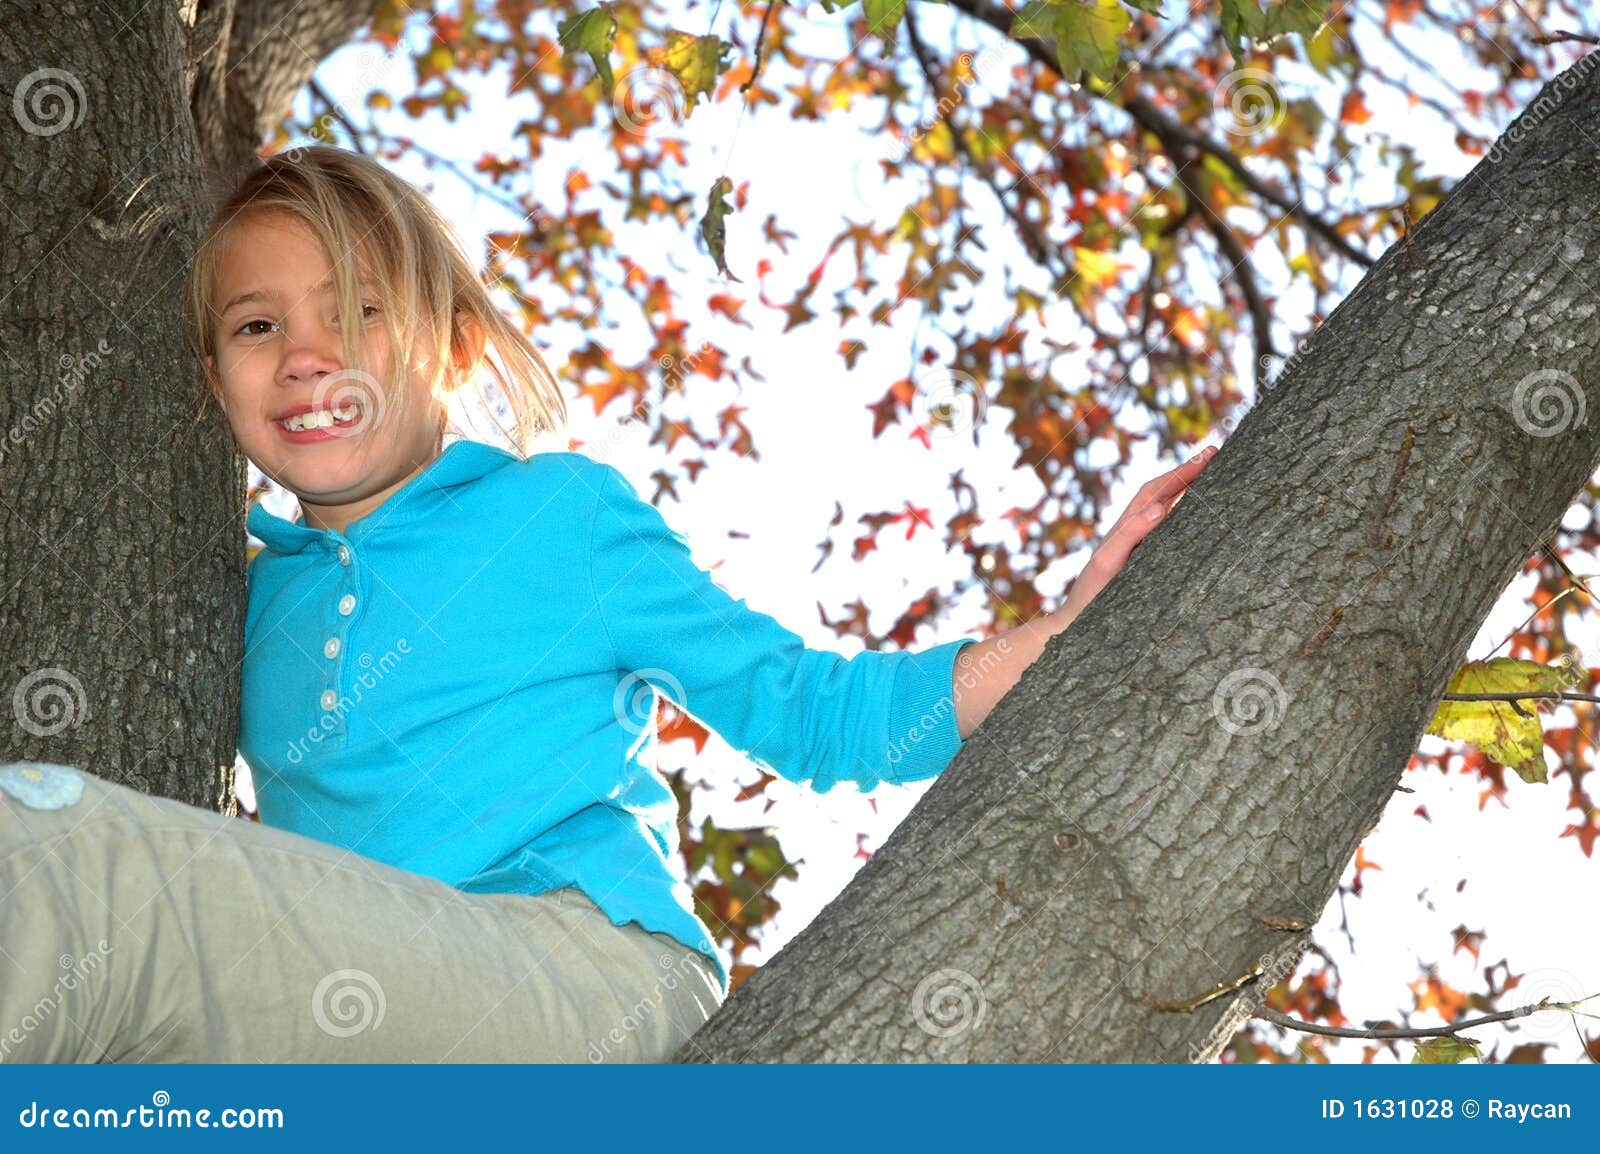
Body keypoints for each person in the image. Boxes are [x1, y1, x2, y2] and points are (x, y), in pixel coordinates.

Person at [0, 146, 1213, 1064]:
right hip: (363, 1031)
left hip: (583, 980)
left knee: (65, 847)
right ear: (213, 381)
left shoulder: (557, 518)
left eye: (358, 308)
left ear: (454, 347)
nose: (307, 354)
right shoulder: (245, 591)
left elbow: (818, 714)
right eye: (258, 326)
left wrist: (1059, 637)